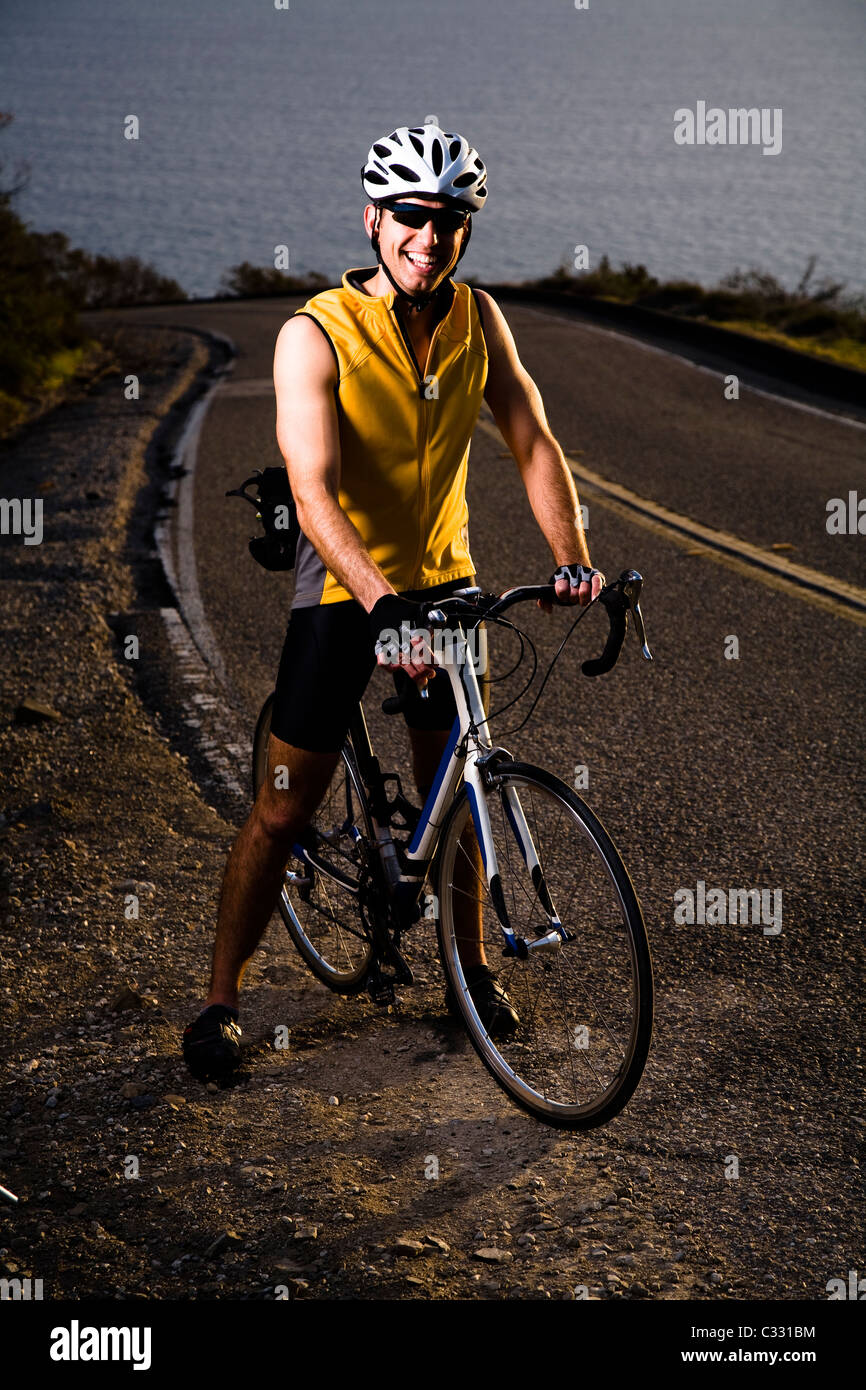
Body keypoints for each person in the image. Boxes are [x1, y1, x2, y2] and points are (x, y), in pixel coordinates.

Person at [182, 122, 603, 1081]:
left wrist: (571, 558)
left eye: (448, 220)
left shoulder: (478, 318)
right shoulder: (314, 333)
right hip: (344, 587)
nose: (429, 236)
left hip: (445, 580)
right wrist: (380, 605)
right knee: (282, 811)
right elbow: (312, 491)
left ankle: (470, 971)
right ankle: (220, 1000)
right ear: (374, 220)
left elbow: (532, 440)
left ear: (465, 231)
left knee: (459, 785)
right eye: (410, 216)